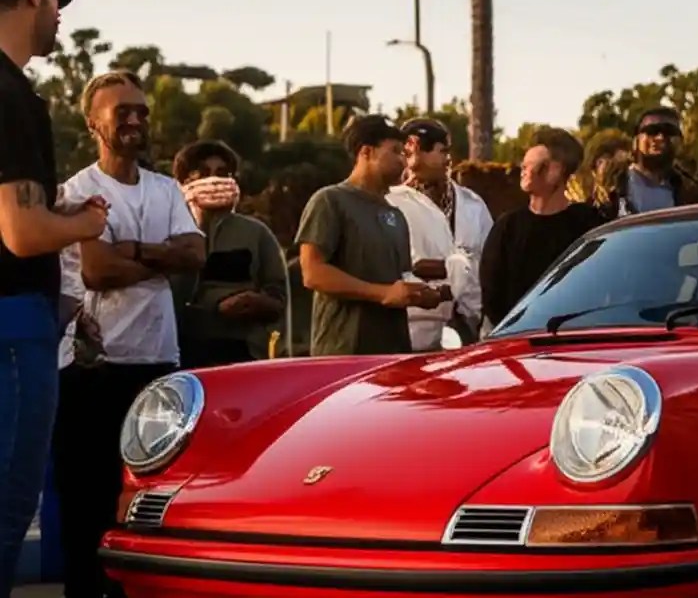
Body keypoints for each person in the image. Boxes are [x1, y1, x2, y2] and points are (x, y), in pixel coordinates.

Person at [56, 69, 207, 598]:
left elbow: (195, 255)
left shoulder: (166, 189)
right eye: (123, 111)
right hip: (94, 368)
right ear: (94, 122)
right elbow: (97, 271)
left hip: (158, 364)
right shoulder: (78, 191)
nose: (137, 119)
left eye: (141, 110)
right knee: (88, 502)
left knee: (148, 498)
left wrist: (133, 250)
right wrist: (161, 256)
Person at [0, 0, 102, 597]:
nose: (60, 12)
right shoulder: (10, 93)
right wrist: (84, 221)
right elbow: (21, 230)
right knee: (7, 513)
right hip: (12, 332)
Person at [296, 116, 443, 357]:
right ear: (366, 152)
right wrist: (383, 294)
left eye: (404, 153)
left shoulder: (395, 215)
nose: (403, 161)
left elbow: (397, 281)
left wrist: (420, 295)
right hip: (344, 354)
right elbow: (313, 273)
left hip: (393, 355)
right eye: (395, 151)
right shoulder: (330, 200)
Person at [169, 140, 286, 367]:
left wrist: (258, 302)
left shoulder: (256, 233)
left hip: (243, 353)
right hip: (180, 353)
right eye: (202, 173)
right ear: (183, 182)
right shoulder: (165, 231)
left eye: (222, 173)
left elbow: (279, 297)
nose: (213, 180)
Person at [480, 128, 603, 329]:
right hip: (515, 337)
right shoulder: (507, 227)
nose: (523, 169)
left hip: (575, 335)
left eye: (531, 165)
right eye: (524, 164)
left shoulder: (588, 225)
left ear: (555, 170)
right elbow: (492, 294)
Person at [386, 119, 473, 351]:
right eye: (442, 151)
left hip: (458, 335)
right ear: (413, 147)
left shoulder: (471, 205)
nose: (448, 160)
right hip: (406, 335)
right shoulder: (390, 203)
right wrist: (452, 274)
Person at [595, 108, 698, 219]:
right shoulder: (613, 184)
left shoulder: (691, 190)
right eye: (652, 130)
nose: (660, 137)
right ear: (636, 139)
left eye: (669, 131)